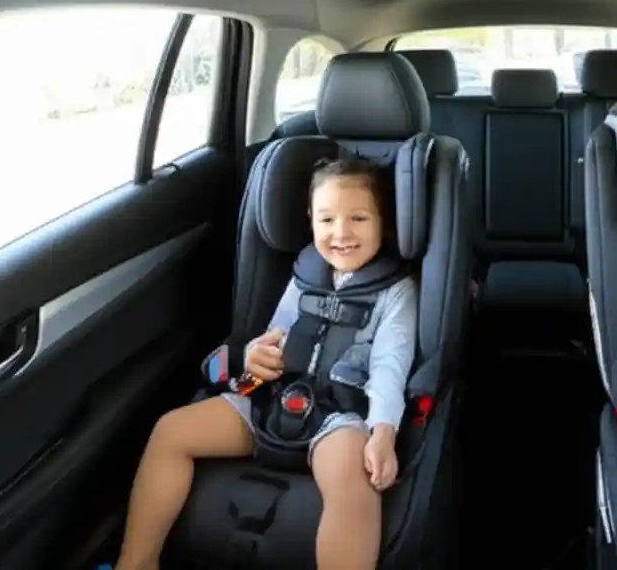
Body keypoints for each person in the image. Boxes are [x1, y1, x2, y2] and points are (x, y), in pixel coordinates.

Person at [112, 157, 417, 570]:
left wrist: (383, 432)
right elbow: (275, 337)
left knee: (353, 475)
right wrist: (254, 357)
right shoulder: (305, 275)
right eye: (327, 220)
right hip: (271, 393)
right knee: (171, 430)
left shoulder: (397, 291)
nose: (341, 233)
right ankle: (136, 563)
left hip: (341, 412)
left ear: (385, 223)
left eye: (358, 219)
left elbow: (389, 367)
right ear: (310, 220)